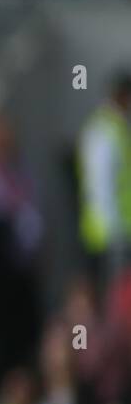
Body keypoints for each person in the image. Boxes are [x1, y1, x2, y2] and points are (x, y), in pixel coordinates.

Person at [77, 71, 131, 290]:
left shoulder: (117, 127)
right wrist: (114, 233)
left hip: (117, 232)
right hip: (107, 236)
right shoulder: (103, 130)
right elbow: (100, 186)